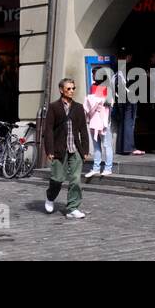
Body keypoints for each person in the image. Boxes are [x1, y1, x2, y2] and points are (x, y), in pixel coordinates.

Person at [41, 78, 90, 219]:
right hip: (58, 149)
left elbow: (83, 130)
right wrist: (49, 150)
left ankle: (72, 208)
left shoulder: (78, 107)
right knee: (57, 179)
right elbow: (48, 130)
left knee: (75, 180)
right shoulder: (54, 107)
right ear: (61, 90)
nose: (72, 91)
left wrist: (85, 151)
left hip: (75, 149)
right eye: (69, 88)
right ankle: (50, 197)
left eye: (73, 88)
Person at [111, 48, 143, 156]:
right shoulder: (128, 68)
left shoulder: (116, 68)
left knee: (123, 122)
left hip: (119, 98)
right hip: (129, 98)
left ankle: (121, 148)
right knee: (129, 122)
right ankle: (129, 147)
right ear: (128, 57)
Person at [84, 81, 113, 178]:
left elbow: (86, 110)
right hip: (101, 123)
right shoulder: (105, 91)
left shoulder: (92, 93)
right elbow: (110, 106)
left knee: (101, 146)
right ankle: (103, 168)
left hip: (95, 123)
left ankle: (101, 168)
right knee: (105, 146)